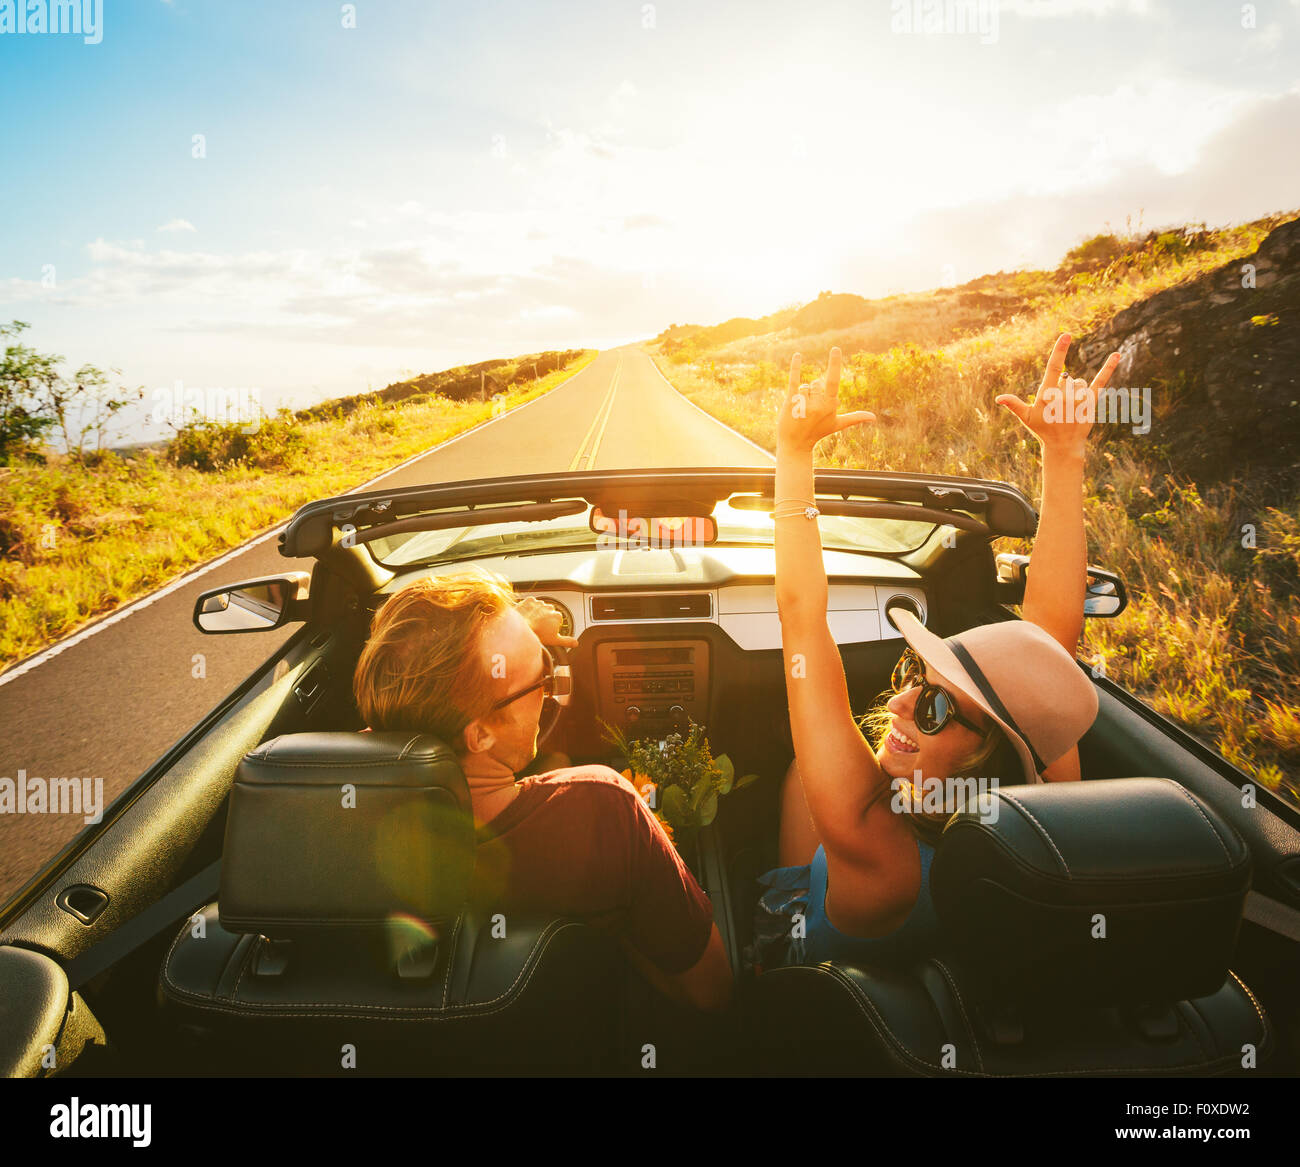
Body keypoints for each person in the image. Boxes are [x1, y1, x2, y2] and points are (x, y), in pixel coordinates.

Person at [755, 333, 1119, 969]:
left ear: (984, 751)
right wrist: (1064, 456)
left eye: (932, 709)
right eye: (916, 678)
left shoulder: (873, 846)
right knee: (802, 777)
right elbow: (1050, 636)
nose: (896, 703)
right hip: (937, 965)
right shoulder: (1045, 777)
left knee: (800, 781)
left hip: (818, 979)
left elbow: (802, 618)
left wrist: (792, 454)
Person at [352, 570, 732, 1011]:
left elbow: (426, 690)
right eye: (542, 681)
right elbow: (712, 994)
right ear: (479, 736)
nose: (550, 692)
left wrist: (510, 650)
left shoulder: (327, 809)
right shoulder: (605, 807)